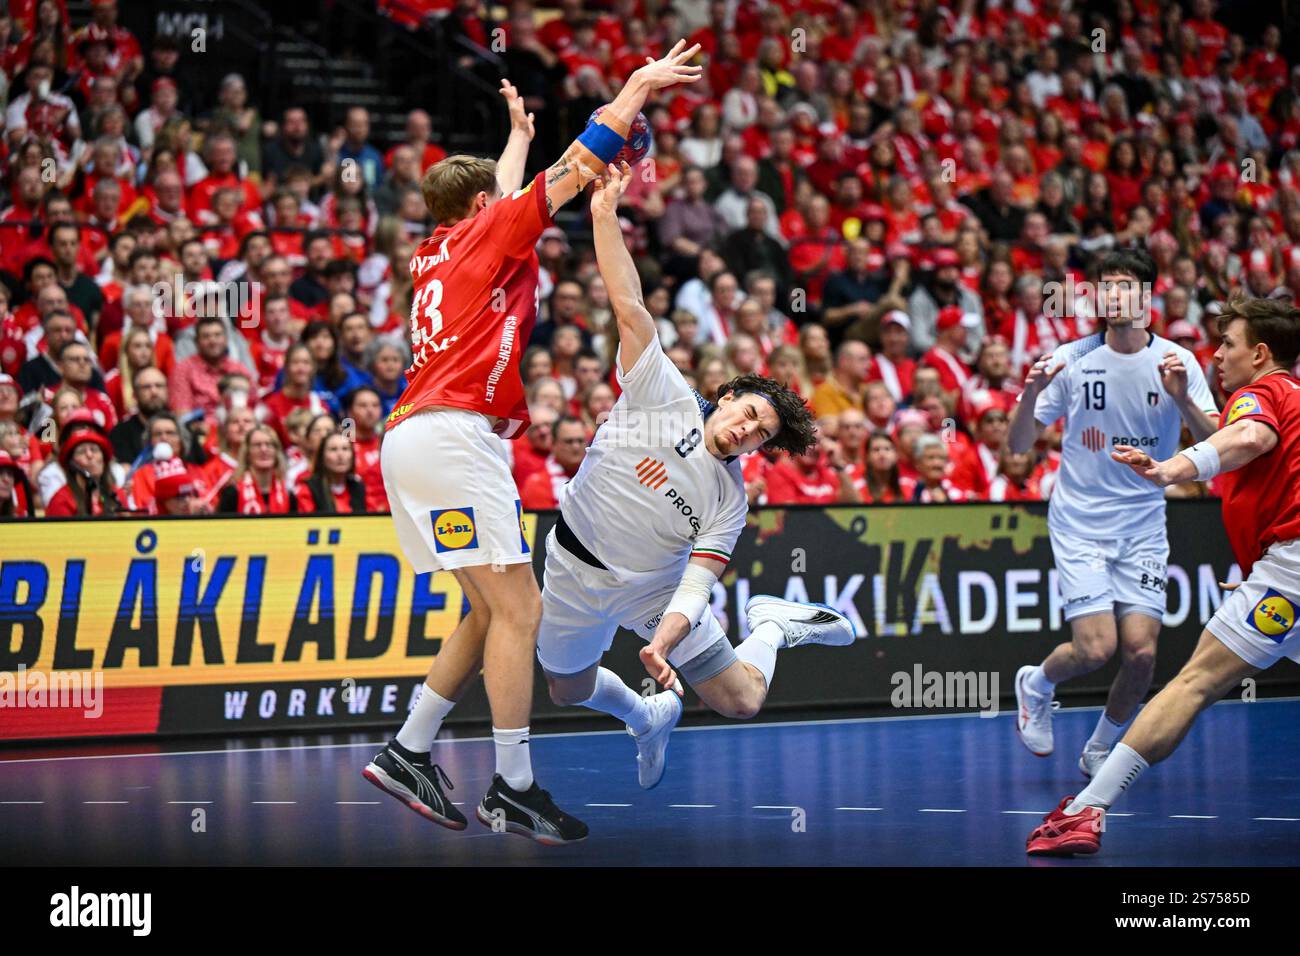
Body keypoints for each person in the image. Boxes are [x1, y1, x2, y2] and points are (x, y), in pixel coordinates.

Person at [365, 47, 704, 845]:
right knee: (523, 608)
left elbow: (504, 197)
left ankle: (410, 748)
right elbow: (578, 163)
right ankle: (513, 786)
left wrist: (514, 138)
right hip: (451, 437)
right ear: (484, 204)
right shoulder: (489, 232)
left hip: (413, 439)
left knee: (487, 612)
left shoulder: (438, 250)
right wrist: (635, 90)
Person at [1027, 294, 1300, 855]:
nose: (1218, 354)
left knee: (1195, 682)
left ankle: (1083, 811)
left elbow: (1248, 438)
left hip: (1290, 570)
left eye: (1228, 344)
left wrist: (1169, 467)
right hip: (1283, 571)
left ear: (1262, 353)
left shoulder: (1263, 393)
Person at [1006, 249, 1219, 777]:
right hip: (1080, 521)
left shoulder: (1177, 361)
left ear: (1147, 297)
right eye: (1106, 286)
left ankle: (1101, 746)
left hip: (1143, 523)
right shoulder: (1072, 358)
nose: (1113, 295)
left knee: (1142, 656)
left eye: (1125, 286)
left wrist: (1183, 402)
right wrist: (1031, 392)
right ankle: (1036, 683)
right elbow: (1017, 443)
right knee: (1096, 647)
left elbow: (1219, 442)